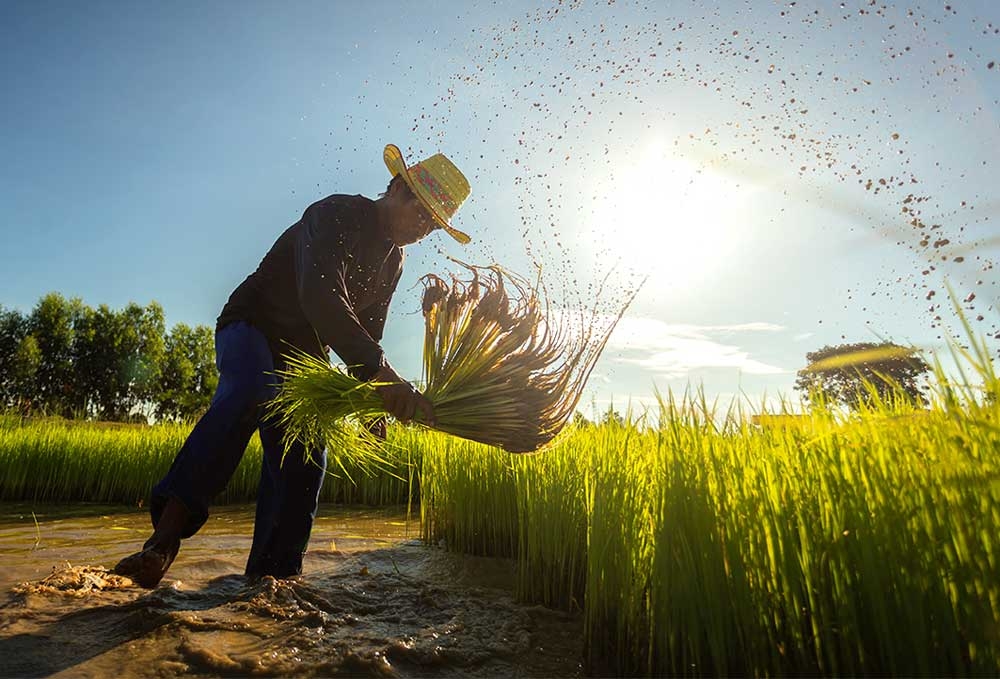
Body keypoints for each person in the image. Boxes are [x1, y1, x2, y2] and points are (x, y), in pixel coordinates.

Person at [114, 144, 472, 588]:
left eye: (434, 227)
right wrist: (382, 375)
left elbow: (368, 331)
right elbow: (320, 297)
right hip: (253, 325)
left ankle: (271, 583)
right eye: (422, 216)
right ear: (398, 189)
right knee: (249, 392)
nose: (424, 231)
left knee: (307, 454)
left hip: (305, 358)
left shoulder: (394, 262)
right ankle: (162, 543)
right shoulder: (335, 214)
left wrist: (370, 401)